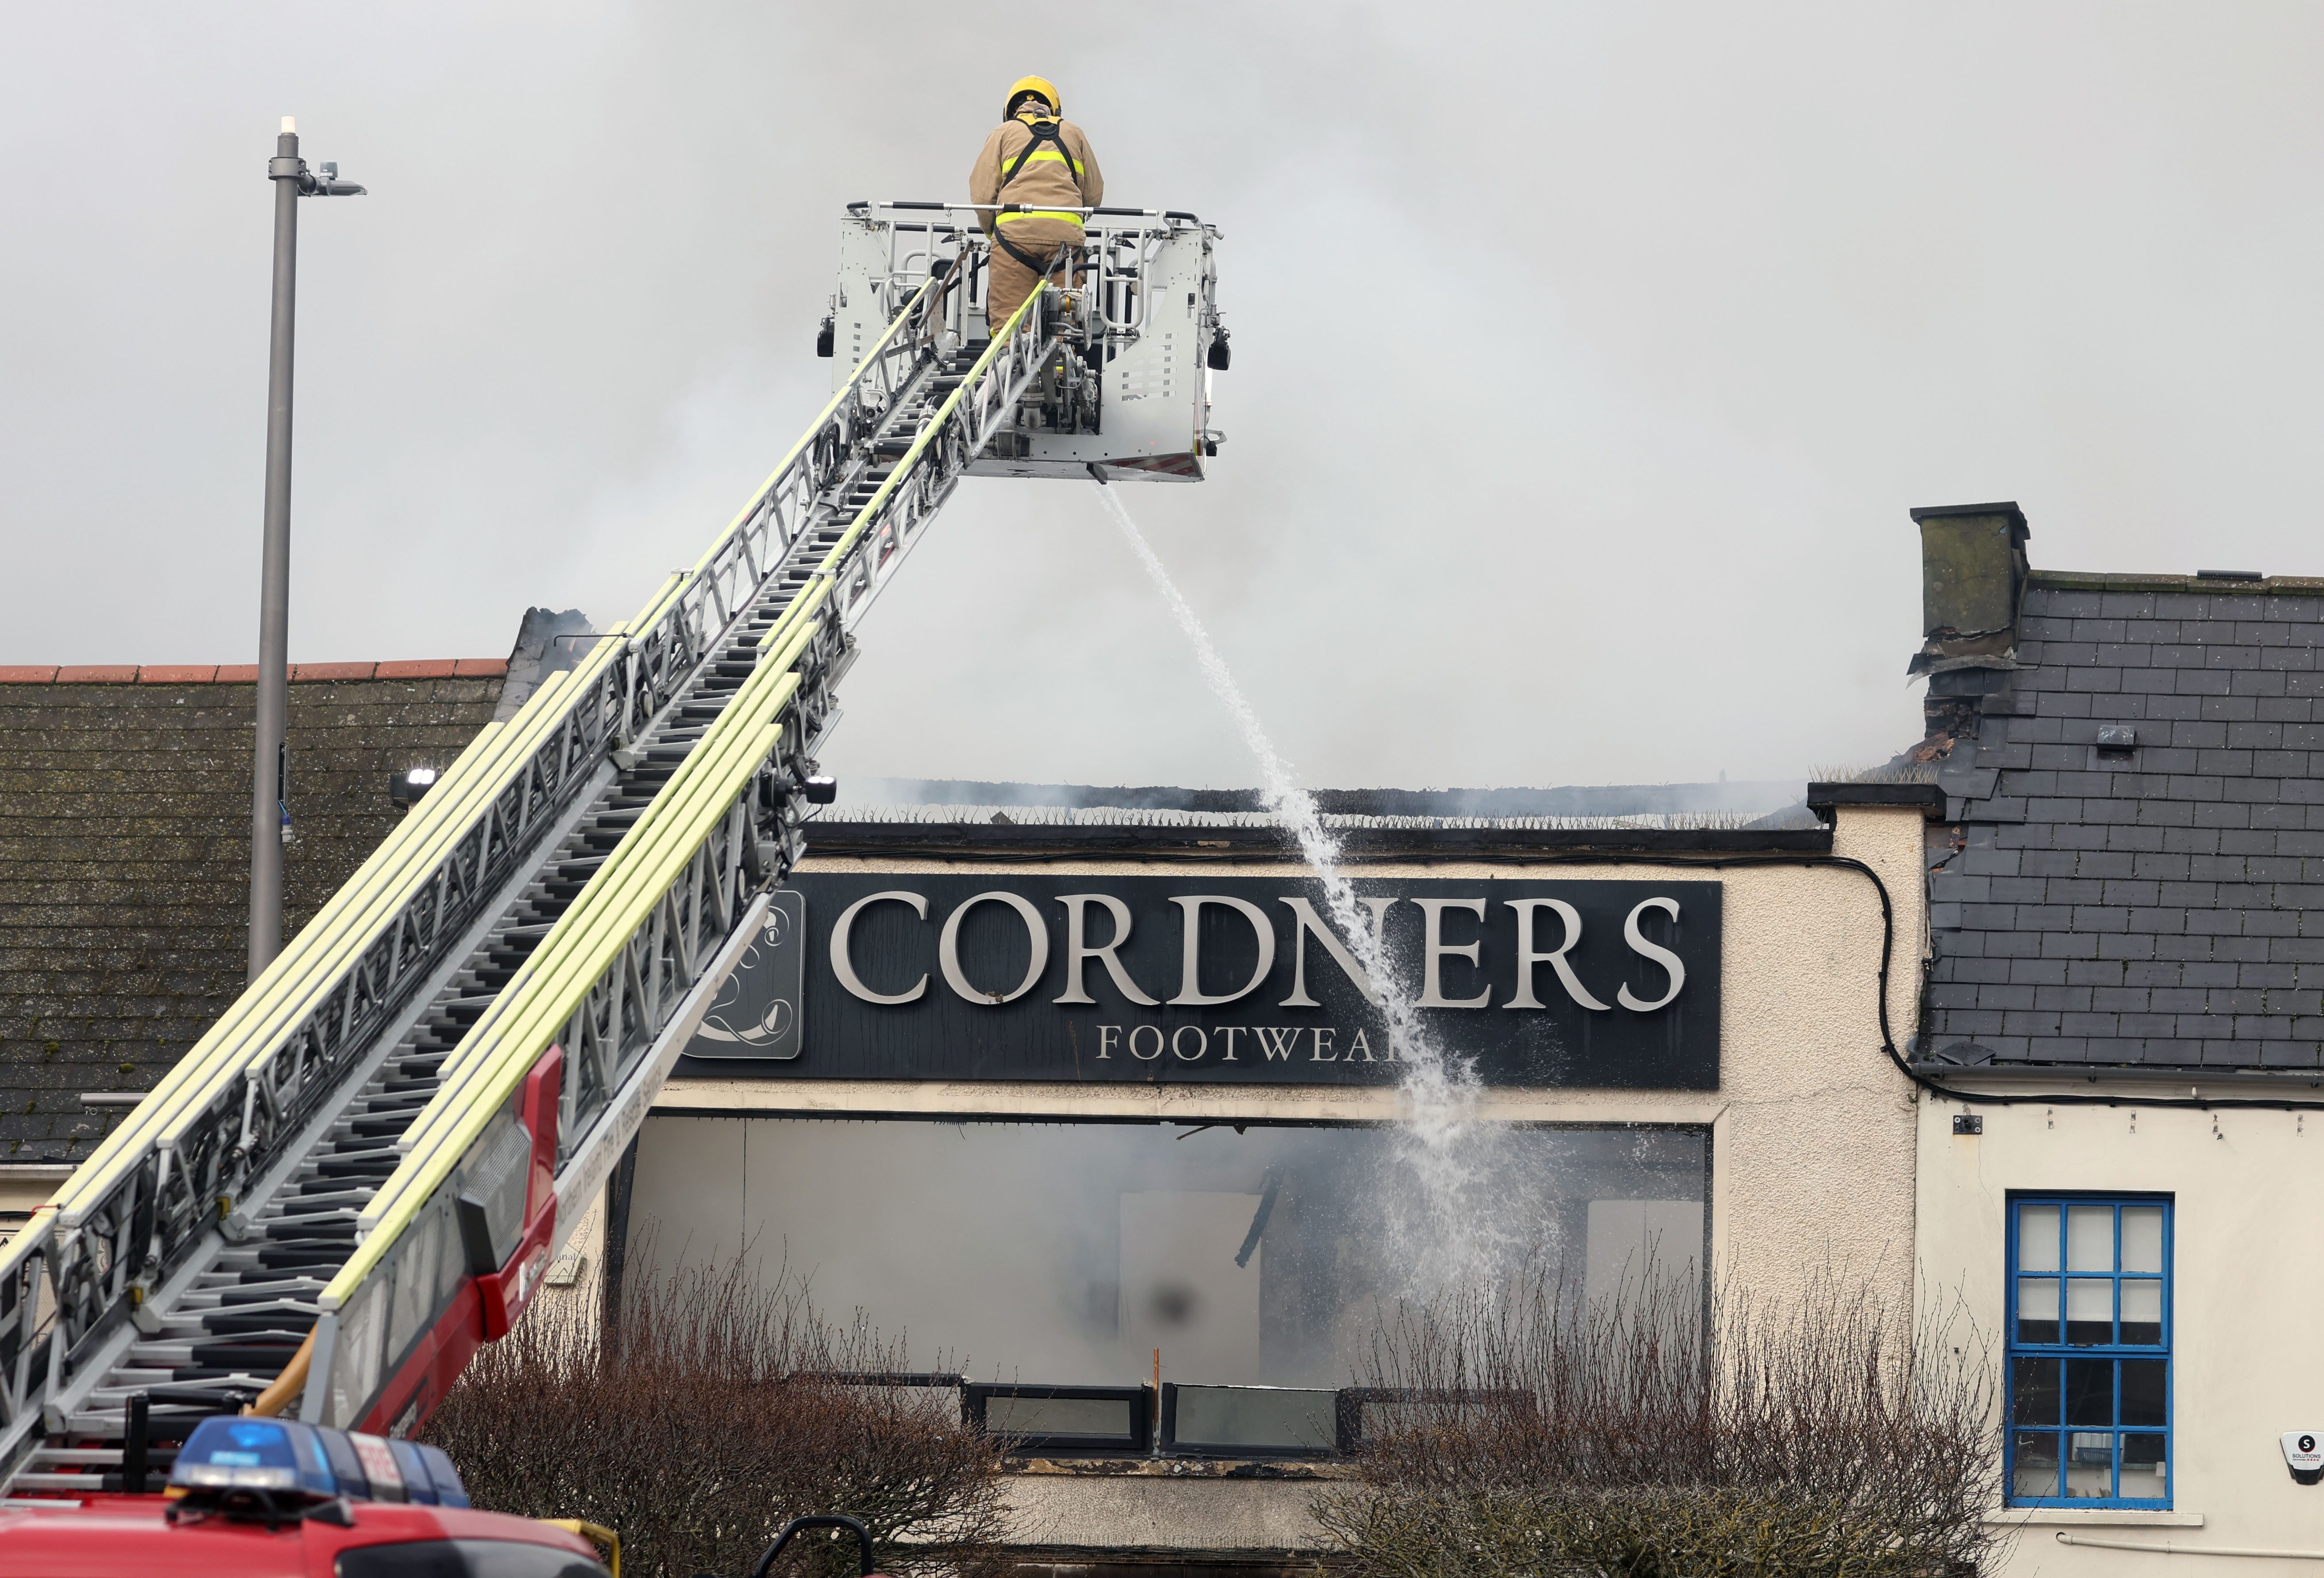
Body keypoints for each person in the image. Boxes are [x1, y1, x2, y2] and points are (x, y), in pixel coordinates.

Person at [969, 76, 1103, 333]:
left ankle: (1007, 363)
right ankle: (1061, 364)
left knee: (1009, 329)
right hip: (1065, 243)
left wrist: (992, 234)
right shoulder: (1074, 133)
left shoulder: (1002, 134)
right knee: (1062, 327)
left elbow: (983, 196)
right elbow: (1094, 197)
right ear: (1054, 107)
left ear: (1011, 110)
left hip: (1013, 240)